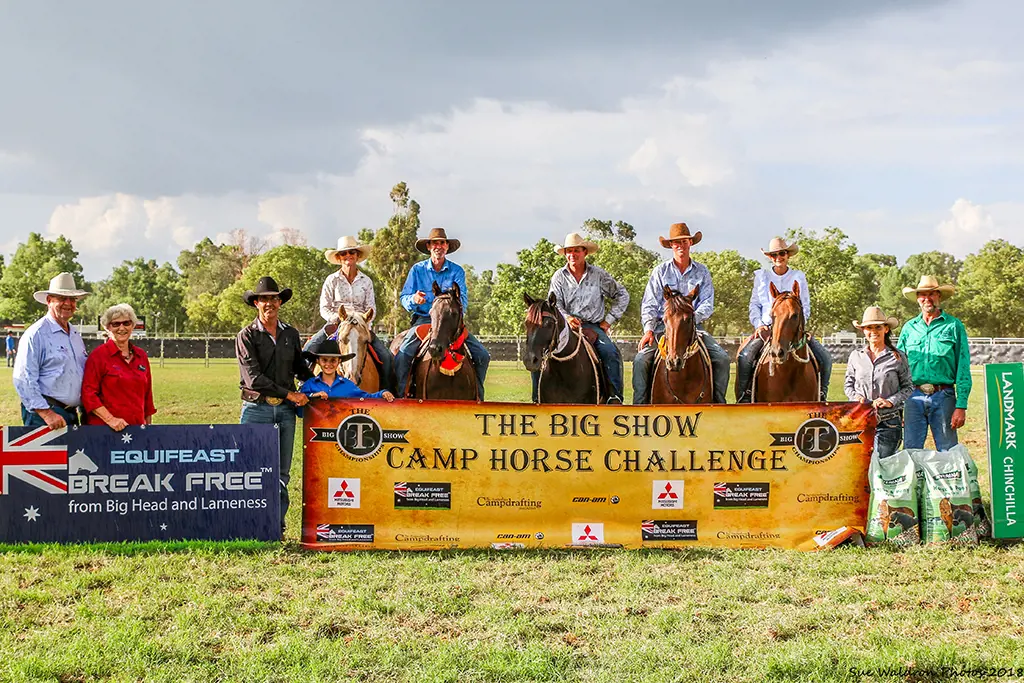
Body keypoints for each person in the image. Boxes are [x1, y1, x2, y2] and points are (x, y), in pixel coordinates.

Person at [235, 276, 313, 531]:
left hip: (285, 412)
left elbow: (300, 368)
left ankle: (276, 526)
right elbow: (254, 379)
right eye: (264, 299)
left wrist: (326, 383)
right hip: (256, 409)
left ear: (280, 302)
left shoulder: (290, 333)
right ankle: (250, 524)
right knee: (250, 469)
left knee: (282, 473)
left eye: (274, 298)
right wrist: (291, 395)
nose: (269, 303)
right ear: (256, 303)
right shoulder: (246, 335)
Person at [633, 222, 731, 404]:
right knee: (641, 360)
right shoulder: (660, 272)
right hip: (664, 328)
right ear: (671, 245)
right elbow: (649, 304)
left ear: (690, 243)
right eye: (676, 242)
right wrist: (648, 330)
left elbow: (707, 303)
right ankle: (640, 406)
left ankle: (719, 404)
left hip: (693, 327)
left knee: (722, 358)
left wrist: (691, 318)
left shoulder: (702, 271)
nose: (681, 245)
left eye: (684, 241)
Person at [394, 228, 490, 399]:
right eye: (434, 243)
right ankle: (401, 397)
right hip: (424, 320)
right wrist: (414, 299)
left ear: (447, 247)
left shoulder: (457, 271)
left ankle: (478, 397)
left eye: (442, 243)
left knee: (483, 355)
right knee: (403, 354)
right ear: (429, 247)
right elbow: (404, 297)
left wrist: (453, 311)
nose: (438, 246)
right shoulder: (417, 270)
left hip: (451, 321)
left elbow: (463, 300)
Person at [535, 232, 629, 404]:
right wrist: (567, 317)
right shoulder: (559, 276)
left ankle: (614, 397)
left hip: (592, 326)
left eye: (576, 250)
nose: (572, 254)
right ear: (565, 254)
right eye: (569, 251)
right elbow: (554, 303)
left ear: (585, 252)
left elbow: (622, 295)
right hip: (563, 327)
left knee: (610, 352)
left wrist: (608, 320)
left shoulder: (598, 275)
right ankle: (537, 398)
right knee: (541, 352)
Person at [736, 237, 833, 402]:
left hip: (794, 326)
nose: (778, 257)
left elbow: (805, 306)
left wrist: (798, 325)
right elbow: (754, 304)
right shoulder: (762, 277)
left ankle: (821, 395)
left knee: (825, 358)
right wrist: (758, 325)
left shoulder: (798, 277)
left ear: (788, 255)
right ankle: (745, 397)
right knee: (745, 357)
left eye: (781, 253)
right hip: (767, 327)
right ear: (770, 257)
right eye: (774, 255)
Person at [305, 235, 395, 392]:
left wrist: (362, 320)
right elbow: (324, 307)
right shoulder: (331, 280)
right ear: (339, 257)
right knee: (308, 349)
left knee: (386, 357)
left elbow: (371, 308)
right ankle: (303, 385)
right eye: (344, 253)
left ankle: (387, 391)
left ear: (357, 256)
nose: (348, 256)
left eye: (351, 252)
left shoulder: (366, 281)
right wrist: (337, 318)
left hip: (361, 325)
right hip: (336, 324)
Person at [897, 275, 972, 451]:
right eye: (922, 294)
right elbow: (898, 367)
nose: (927, 298)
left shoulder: (954, 326)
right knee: (911, 451)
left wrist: (961, 405)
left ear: (939, 296)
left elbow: (963, 365)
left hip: (943, 396)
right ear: (917, 298)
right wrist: (898, 406)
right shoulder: (909, 328)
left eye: (931, 294)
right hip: (912, 397)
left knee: (948, 451)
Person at [13, 272, 89, 428]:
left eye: (72, 299)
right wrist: (46, 413)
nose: (68, 303)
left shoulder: (75, 334)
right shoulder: (36, 334)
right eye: (62, 298)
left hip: (70, 414)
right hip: (45, 415)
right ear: (49, 300)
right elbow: (23, 378)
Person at [845, 307, 913, 458]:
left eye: (878, 327)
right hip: (860, 420)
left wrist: (890, 401)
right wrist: (857, 398)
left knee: (883, 462)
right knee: (860, 464)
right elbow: (848, 385)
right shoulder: (856, 356)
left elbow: (908, 387)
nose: (873, 331)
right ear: (863, 330)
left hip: (888, 421)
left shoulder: (898, 357)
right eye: (869, 327)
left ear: (886, 329)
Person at [82, 304, 156, 430]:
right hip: (105, 430)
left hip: (136, 429)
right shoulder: (98, 356)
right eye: (116, 324)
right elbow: (88, 394)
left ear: (132, 325)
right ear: (107, 327)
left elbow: (147, 397)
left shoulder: (141, 356)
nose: (122, 328)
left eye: (126, 323)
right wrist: (111, 420)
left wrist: (148, 429)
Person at [300, 338, 396, 402]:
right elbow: (300, 410)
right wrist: (312, 396)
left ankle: (390, 385)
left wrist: (382, 393)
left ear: (339, 361)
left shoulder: (348, 385)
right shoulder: (309, 385)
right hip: (318, 427)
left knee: (386, 356)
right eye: (324, 360)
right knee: (311, 343)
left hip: (339, 427)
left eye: (333, 360)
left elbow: (366, 397)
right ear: (318, 361)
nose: (328, 364)